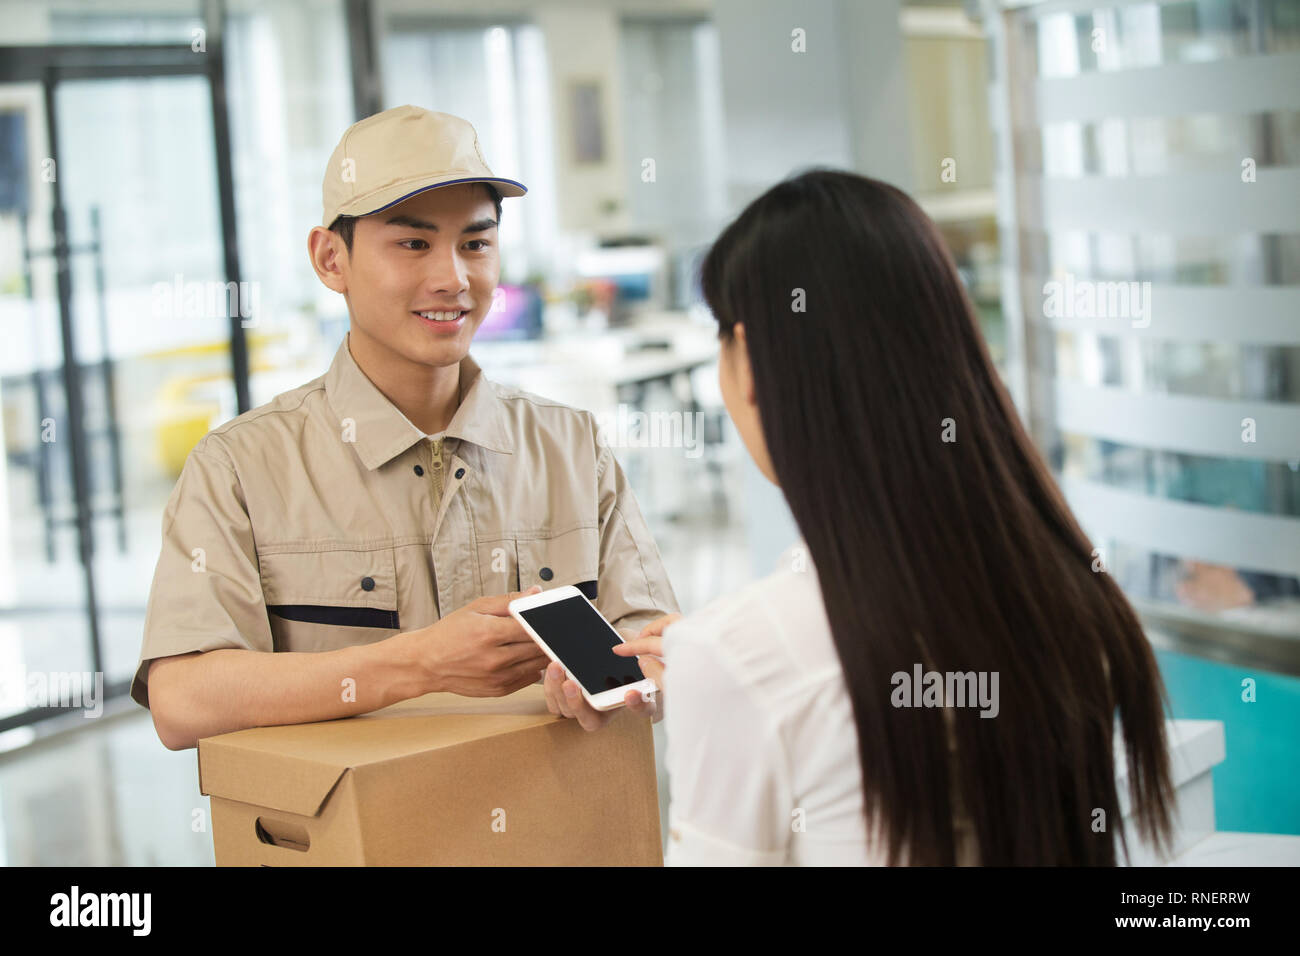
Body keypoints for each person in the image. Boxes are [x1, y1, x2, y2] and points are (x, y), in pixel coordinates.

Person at [617, 169, 1176, 866]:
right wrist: (715, 667)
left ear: (750, 362)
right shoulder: (1064, 592)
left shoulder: (740, 653)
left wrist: (725, 669)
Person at [136, 106, 678, 750]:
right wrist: (419, 664)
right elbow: (182, 701)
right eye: (413, 243)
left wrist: (641, 676)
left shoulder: (571, 446)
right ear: (330, 258)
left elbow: (653, 642)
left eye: (475, 244)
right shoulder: (240, 468)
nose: (452, 278)